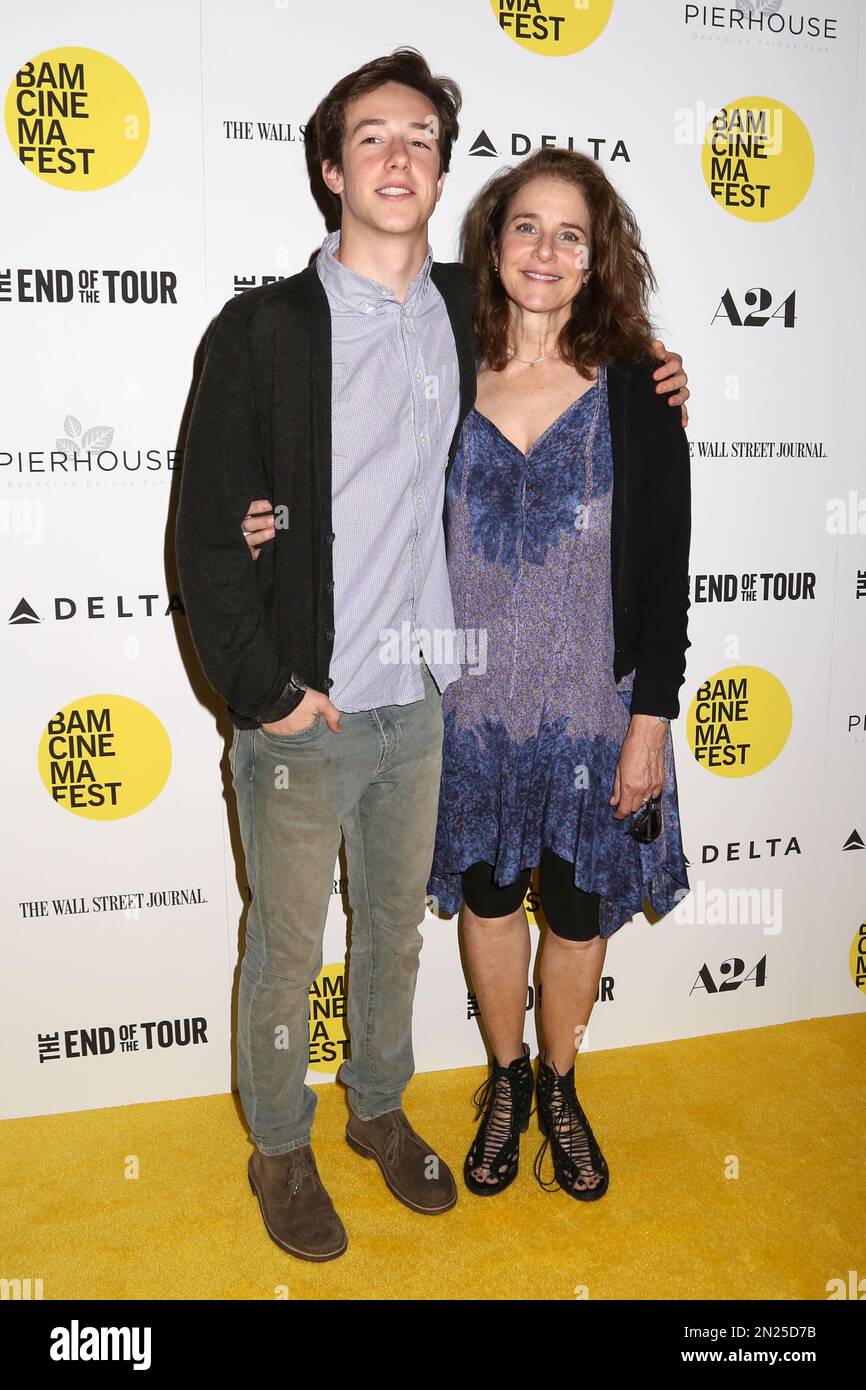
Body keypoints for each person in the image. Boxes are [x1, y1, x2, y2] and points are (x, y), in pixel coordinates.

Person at [200, 50, 688, 1262]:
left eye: (420, 135)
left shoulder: (464, 311)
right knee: (283, 945)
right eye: (372, 137)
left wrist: (657, 374)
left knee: (392, 938)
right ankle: (278, 1144)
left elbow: (582, 356)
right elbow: (210, 530)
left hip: (428, 708)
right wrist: (269, 688)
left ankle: (378, 1110)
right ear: (331, 168)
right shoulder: (264, 329)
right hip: (309, 712)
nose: (398, 155)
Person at [425, 148, 692, 1204]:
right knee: (488, 903)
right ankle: (504, 1080)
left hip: (592, 707)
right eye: (524, 227)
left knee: (577, 913)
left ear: (595, 257)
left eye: (568, 234)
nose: (544, 250)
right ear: (491, 243)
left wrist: (650, 720)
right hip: (473, 710)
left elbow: (666, 565)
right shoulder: (439, 366)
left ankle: (561, 1083)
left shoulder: (636, 384)